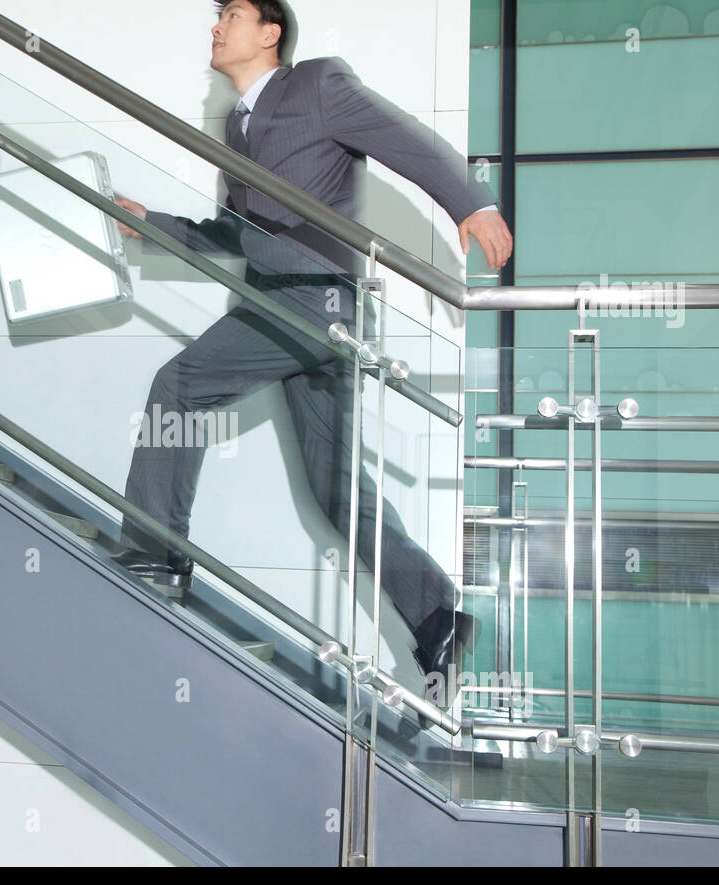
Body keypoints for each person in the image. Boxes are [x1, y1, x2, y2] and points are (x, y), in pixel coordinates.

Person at [108, 0, 514, 684]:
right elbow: (236, 233)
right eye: (217, 16)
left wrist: (472, 202)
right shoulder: (237, 127)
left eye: (232, 14)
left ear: (270, 32)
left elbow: (407, 141)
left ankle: (154, 552)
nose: (216, 26)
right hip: (293, 310)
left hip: (312, 302)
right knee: (336, 490)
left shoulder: (318, 85)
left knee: (178, 387)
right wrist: (153, 222)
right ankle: (437, 616)